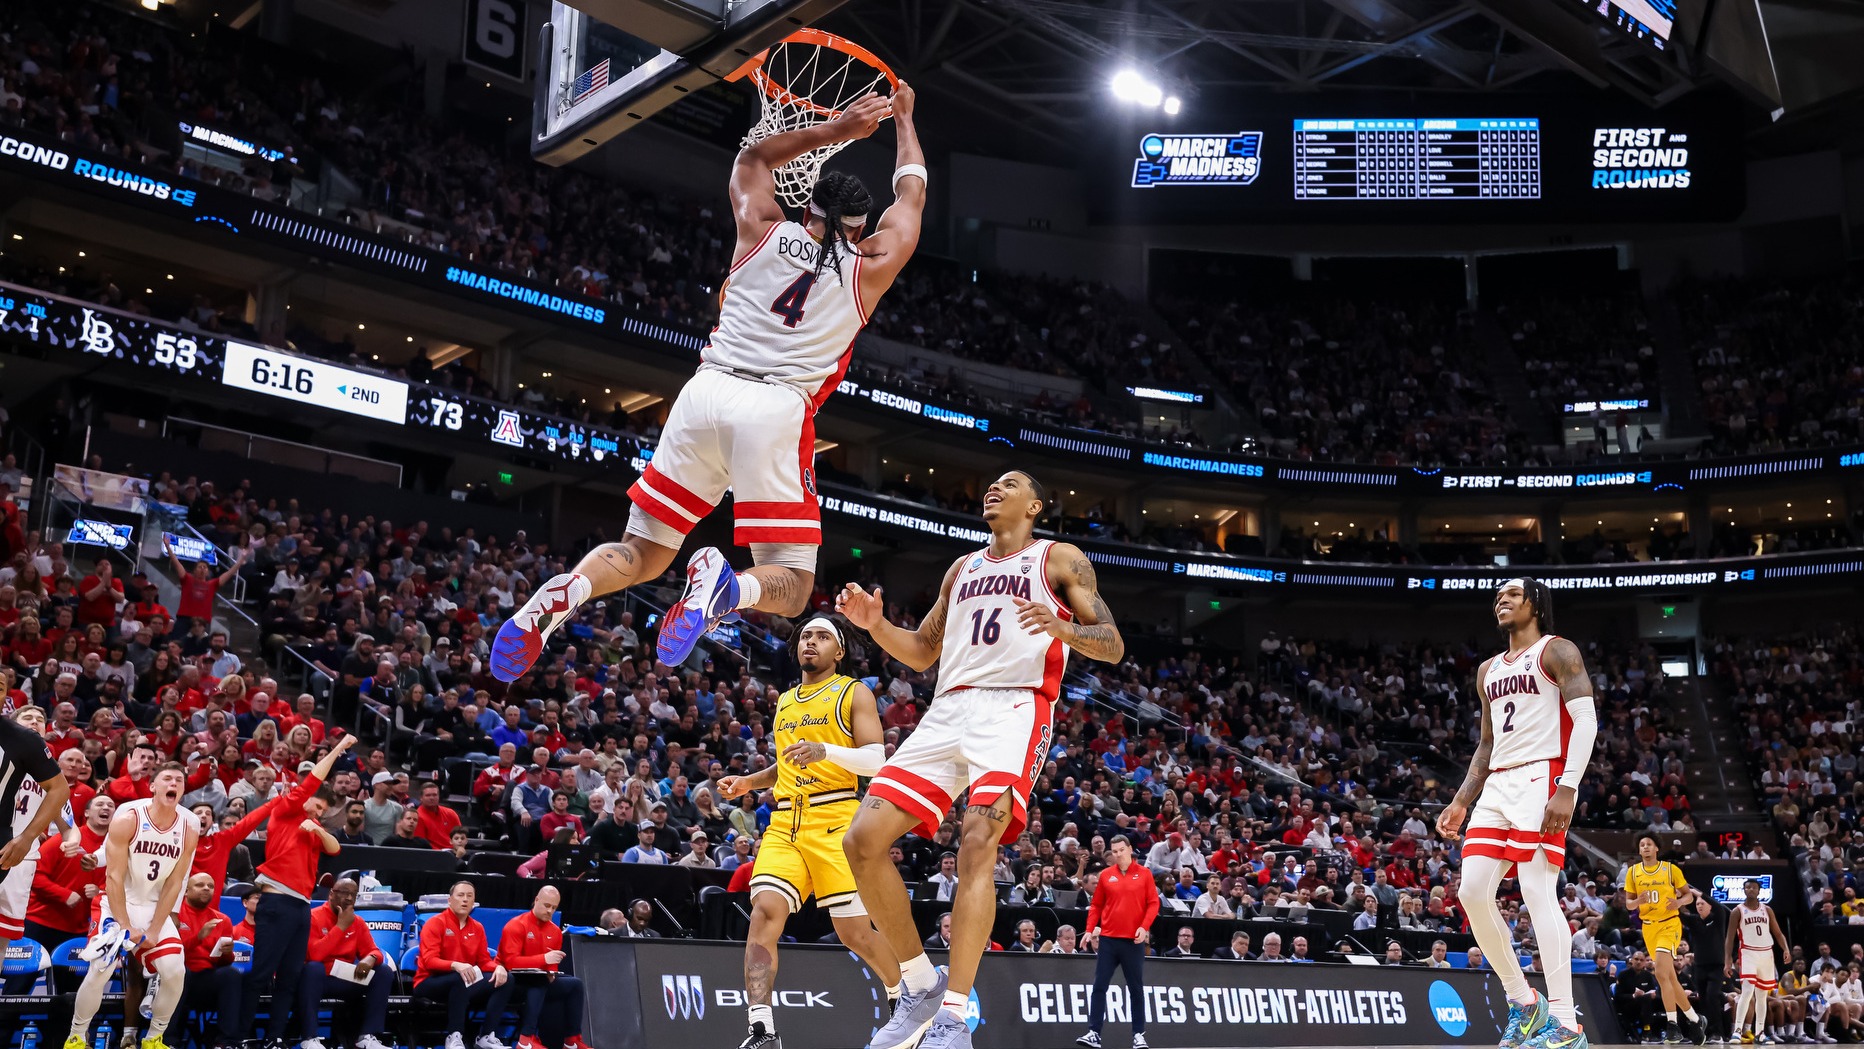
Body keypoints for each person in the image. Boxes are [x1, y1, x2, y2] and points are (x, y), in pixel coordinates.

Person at [489, 81, 927, 677]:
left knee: (643, 552)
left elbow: (752, 159)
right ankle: (726, 589)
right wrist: (902, 121)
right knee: (795, 586)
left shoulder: (762, 227)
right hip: (774, 409)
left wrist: (838, 130)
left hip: (705, 393)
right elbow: (912, 198)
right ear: (860, 227)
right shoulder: (872, 264)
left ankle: (565, 591)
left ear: (807, 211)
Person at [840, 470, 1124, 1049]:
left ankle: (951, 1015)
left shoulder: (1060, 559)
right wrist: (876, 627)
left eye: (1009, 483)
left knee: (976, 841)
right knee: (861, 840)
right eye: (990, 483)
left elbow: (1113, 644)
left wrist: (1064, 626)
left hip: (1015, 709)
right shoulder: (961, 568)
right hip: (948, 709)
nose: (993, 487)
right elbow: (920, 652)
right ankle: (918, 984)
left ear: (1035, 505)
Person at [717, 616, 902, 1049]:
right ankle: (762, 1028)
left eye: (822, 637)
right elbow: (786, 764)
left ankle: (902, 995)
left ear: (839, 651)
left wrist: (825, 750)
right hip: (785, 821)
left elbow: (877, 761)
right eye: (805, 637)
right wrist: (749, 782)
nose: (811, 643)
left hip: (836, 817)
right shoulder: (785, 701)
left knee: (854, 933)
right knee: (764, 911)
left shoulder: (852, 692)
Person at [1436, 578, 1599, 1049]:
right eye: (1497, 597)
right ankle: (1525, 1003)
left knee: (1536, 890)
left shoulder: (1558, 650)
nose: (1501, 601)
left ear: (1535, 604)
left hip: (1543, 775)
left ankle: (1567, 1025)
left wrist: (1567, 786)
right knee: (1471, 891)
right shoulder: (1487, 669)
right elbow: (1487, 743)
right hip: (1499, 783)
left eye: (1512, 594)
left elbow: (1585, 719)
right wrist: (1462, 799)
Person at [61, 762, 199, 1049]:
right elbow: (112, 875)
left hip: (152, 906)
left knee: (175, 971)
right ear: (153, 786)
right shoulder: (128, 818)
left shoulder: (188, 827)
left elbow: (175, 882)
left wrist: (156, 929)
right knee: (101, 968)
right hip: (117, 902)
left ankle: (153, 1039)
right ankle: (76, 1035)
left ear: (183, 790)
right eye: (167, 778)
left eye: (179, 780)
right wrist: (125, 926)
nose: (174, 783)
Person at [237, 733, 358, 1043]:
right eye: (316, 806)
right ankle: (234, 1038)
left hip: (302, 906)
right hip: (276, 903)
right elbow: (312, 780)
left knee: (290, 979)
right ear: (305, 797)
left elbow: (334, 849)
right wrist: (340, 748)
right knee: (261, 975)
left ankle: (274, 1038)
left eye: (322, 811)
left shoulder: (312, 825)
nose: (318, 813)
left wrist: (316, 828)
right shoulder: (286, 808)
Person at [0, 704, 76, 959]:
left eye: (40, 719)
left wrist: (71, 843)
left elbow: (69, 828)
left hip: (22, 859)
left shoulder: (50, 777)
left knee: (2, 937)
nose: (35, 721)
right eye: (28, 717)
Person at [1076, 836, 1159, 1049]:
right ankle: (1094, 1033)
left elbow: (1153, 903)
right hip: (1109, 940)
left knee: (1136, 988)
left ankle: (1139, 1034)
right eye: (1114, 851)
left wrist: (1144, 926)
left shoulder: (1145, 874)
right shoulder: (1105, 875)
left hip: (1133, 941)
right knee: (1099, 986)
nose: (1118, 854)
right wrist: (1088, 930)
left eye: (1121, 850)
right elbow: (1096, 905)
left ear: (1130, 849)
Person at [413, 880, 514, 1049]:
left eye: (469, 896)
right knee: (460, 977)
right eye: (460, 895)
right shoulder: (435, 923)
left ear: (474, 902)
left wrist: (498, 967)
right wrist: (456, 965)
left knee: (506, 979)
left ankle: (486, 1036)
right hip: (429, 982)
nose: (465, 900)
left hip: (462, 982)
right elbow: (429, 961)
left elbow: (483, 961)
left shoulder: (478, 927)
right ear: (450, 900)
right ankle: (454, 1037)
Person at [296, 876, 393, 1049]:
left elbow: (374, 950)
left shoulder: (357, 922)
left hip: (347, 977)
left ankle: (368, 1036)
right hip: (319, 979)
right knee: (313, 968)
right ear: (331, 894)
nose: (349, 898)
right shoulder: (314, 917)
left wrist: (370, 958)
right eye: (345, 893)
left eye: (353, 895)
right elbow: (315, 955)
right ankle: (309, 1037)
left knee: (383, 971)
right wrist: (340, 927)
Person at [1624, 833, 1703, 1044]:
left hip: (1669, 924)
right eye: (1642, 845)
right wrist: (1637, 901)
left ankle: (1673, 1024)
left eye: (1649, 844)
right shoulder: (1633, 872)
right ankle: (1695, 1020)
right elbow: (1628, 904)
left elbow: (1687, 895)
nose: (1646, 847)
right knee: (1669, 978)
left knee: (1660, 972)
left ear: (1656, 848)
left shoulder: (1670, 869)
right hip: (1649, 928)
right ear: (1639, 850)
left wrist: (1678, 903)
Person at [498, 885, 592, 1049]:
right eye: (547, 906)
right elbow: (511, 962)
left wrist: (552, 973)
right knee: (539, 981)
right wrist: (544, 959)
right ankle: (525, 1039)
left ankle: (572, 1040)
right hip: (512, 981)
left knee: (575, 984)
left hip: (538, 980)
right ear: (536, 901)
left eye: (554, 908)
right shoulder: (516, 925)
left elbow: (551, 966)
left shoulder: (555, 932)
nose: (550, 911)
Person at [174, 872, 243, 1049]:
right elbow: (171, 953)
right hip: (176, 976)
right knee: (182, 973)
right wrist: (198, 937)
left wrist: (227, 954)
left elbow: (223, 963)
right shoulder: (174, 915)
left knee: (231, 974)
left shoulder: (222, 920)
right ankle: (169, 1042)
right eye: (199, 885)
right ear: (186, 891)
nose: (206, 888)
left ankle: (225, 1043)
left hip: (205, 979)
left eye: (211, 886)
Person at [1726, 878, 1789, 1044]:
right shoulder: (1737, 911)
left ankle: (1760, 1032)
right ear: (1744, 890)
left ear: (1759, 891)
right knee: (1747, 991)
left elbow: (1777, 932)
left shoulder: (1767, 910)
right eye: (1747, 887)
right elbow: (1729, 939)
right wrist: (1727, 962)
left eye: (1754, 887)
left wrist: (1786, 949)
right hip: (1748, 953)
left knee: (1762, 996)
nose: (1751, 890)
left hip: (1766, 953)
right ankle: (1737, 1031)